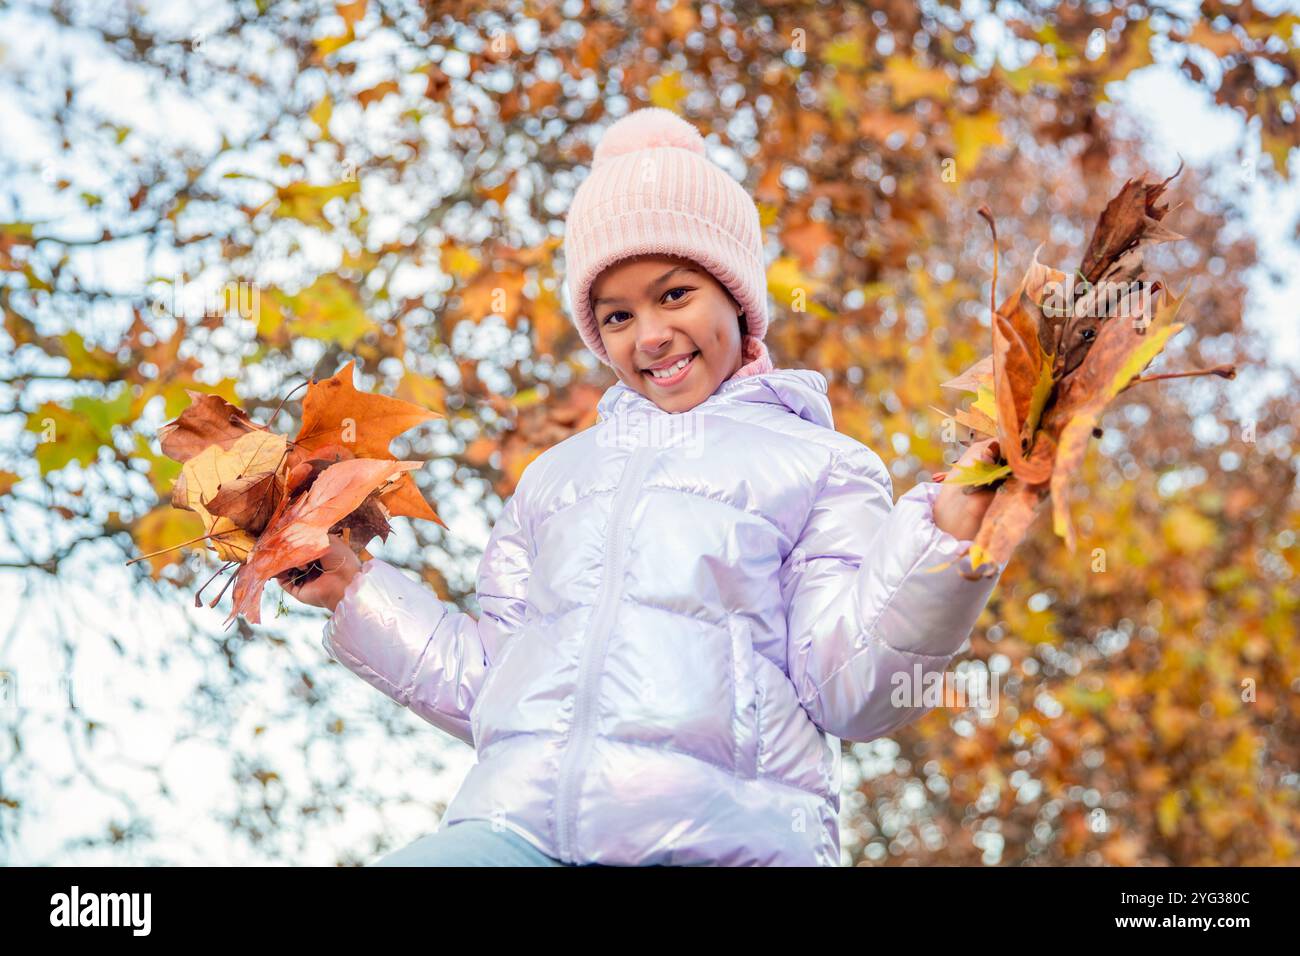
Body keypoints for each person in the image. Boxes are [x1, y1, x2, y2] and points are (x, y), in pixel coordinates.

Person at [278, 107, 1010, 867]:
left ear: (736, 295)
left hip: (721, 841)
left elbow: (850, 688)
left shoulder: (822, 466)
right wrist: (353, 593)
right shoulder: (553, 481)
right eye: (617, 314)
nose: (649, 336)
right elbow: (489, 684)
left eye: (674, 295)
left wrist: (947, 537)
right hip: (515, 833)